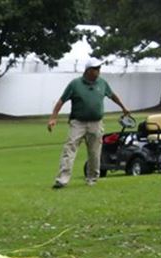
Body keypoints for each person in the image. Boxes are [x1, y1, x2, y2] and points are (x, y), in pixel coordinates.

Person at [48, 58, 130, 189]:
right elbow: (61, 101)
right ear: (88, 70)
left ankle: (92, 178)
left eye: (99, 68)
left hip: (96, 123)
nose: (98, 71)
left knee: (94, 152)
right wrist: (53, 118)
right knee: (69, 149)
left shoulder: (102, 83)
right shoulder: (75, 84)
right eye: (96, 69)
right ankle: (62, 179)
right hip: (78, 123)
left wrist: (123, 107)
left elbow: (112, 95)